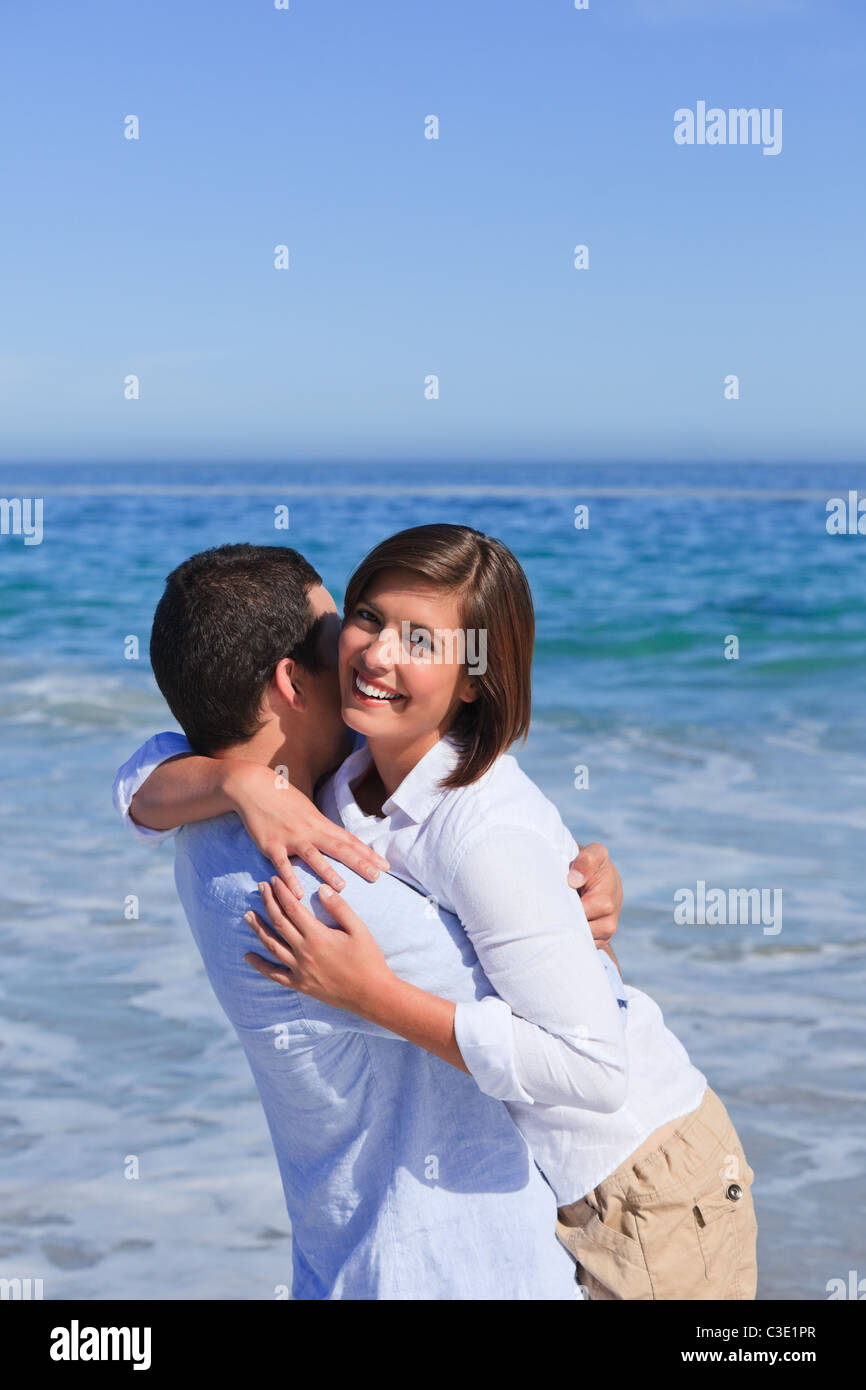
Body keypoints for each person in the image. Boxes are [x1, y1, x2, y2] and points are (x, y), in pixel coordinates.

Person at [240, 524, 759, 1301]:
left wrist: (371, 996)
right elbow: (148, 775)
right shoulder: (353, 775)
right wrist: (235, 785)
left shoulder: (483, 829)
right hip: (574, 1186)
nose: (380, 654)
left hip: (649, 1184)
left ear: (475, 680)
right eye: (370, 617)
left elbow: (593, 1068)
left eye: (421, 640)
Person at [114, 541, 624, 1300]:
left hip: (351, 1256)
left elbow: (140, 773)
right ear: (293, 682)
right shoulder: (313, 881)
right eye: (345, 632)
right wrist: (560, 901)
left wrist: (237, 777)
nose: (368, 656)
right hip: (451, 1268)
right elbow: (565, 1033)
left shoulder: (219, 816)